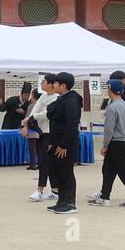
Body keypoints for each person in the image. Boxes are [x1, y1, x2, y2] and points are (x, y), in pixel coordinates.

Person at [88, 79, 125, 206]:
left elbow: (109, 129)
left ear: (110, 89)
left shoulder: (112, 107)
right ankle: (105, 196)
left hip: (115, 142)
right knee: (108, 169)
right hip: (123, 141)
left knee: (122, 170)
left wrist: (105, 146)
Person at [45, 72, 82, 213]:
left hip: (67, 144)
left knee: (67, 172)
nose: (53, 85)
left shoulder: (71, 101)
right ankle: (61, 200)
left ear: (63, 85)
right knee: (58, 172)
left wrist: (64, 145)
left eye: (55, 83)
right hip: (57, 142)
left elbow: (71, 125)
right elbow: (50, 112)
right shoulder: (61, 99)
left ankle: (70, 202)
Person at [28, 75, 60, 201]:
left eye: (44, 82)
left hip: (51, 134)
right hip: (42, 133)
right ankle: (55, 191)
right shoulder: (43, 96)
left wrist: (33, 117)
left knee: (43, 162)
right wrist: (28, 120)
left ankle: (40, 190)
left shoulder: (56, 98)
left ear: (51, 84)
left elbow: (47, 114)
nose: (41, 83)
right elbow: (35, 110)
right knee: (48, 163)